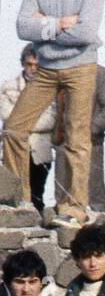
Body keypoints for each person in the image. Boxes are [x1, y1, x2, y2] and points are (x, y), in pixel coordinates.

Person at [2, 0, 105, 229]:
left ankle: (73, 208)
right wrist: (60, 23)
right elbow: (22, 26)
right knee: (15, 129)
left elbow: (87, 34)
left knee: (76, 138)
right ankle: (19, 201)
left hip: (80, 66)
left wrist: (42, 25)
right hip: (46, 67)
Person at [53, 64, 105, 214]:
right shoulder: (59, 72)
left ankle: (99, 233)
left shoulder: (101, 73)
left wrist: (89, 131)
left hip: (90, 145)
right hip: (63, 144)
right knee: (62, 199)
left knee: (94, 197)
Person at [0, 46, 58, 208]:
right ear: (23, 64)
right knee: (13, 193)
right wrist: (27, 122)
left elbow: (51, 118)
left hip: (39, 150)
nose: (32, 69)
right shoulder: (9, 87)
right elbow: (7, 115)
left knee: (37, 193)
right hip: (15, 148)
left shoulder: (51, 88)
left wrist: (22, 123)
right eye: (29, 64)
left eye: (36, 65)